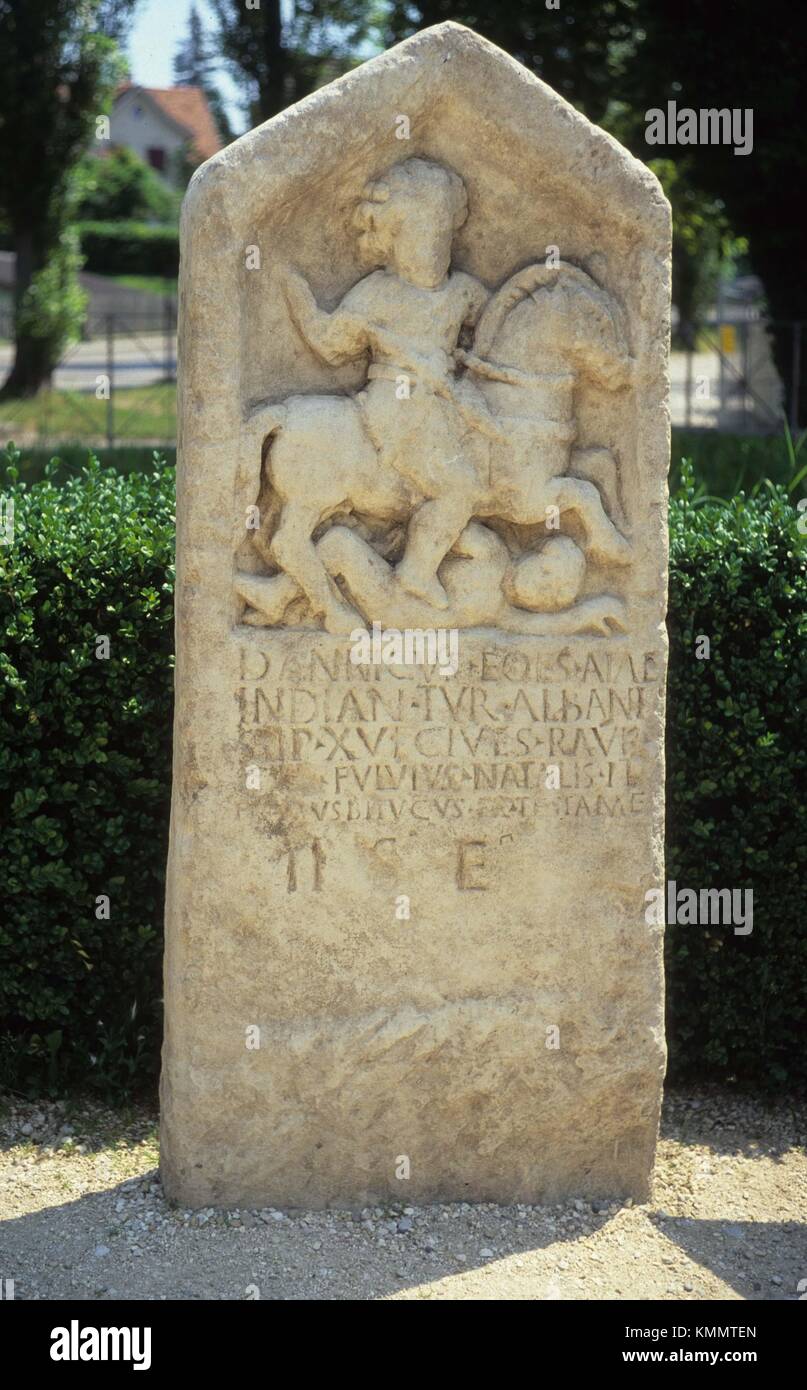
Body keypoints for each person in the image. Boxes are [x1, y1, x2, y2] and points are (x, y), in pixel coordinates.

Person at [279, 158, 503, 611]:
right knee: (459, 489)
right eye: (420, 234)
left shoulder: (464, 292)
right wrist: (299, 299)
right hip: (395, 404)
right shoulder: (378, 292)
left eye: (441, 235)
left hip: (450, 402)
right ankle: (417, 571)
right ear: (392, 238)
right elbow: (332, 346)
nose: (432, 247)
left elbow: (497, 337)